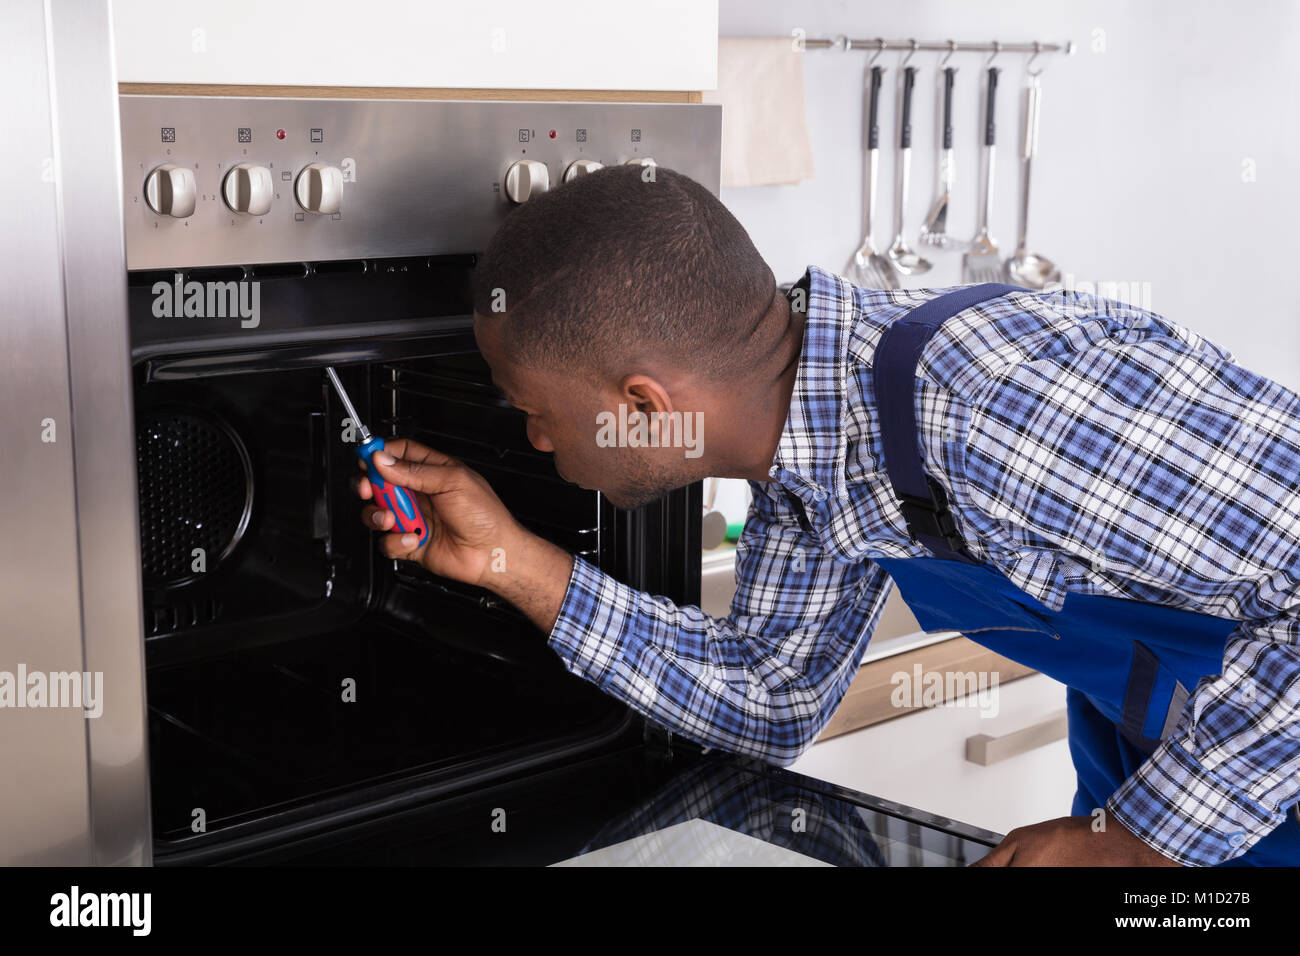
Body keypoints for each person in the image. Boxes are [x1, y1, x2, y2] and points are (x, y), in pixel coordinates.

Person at [352, 164, 1300, 867]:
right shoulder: (814, 451)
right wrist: (511, 562)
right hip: (1170, 783)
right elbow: (775, 695)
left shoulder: (987, 408)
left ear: (641, 403)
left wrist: (1140, 840)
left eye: (536, 411)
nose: (537, 441)